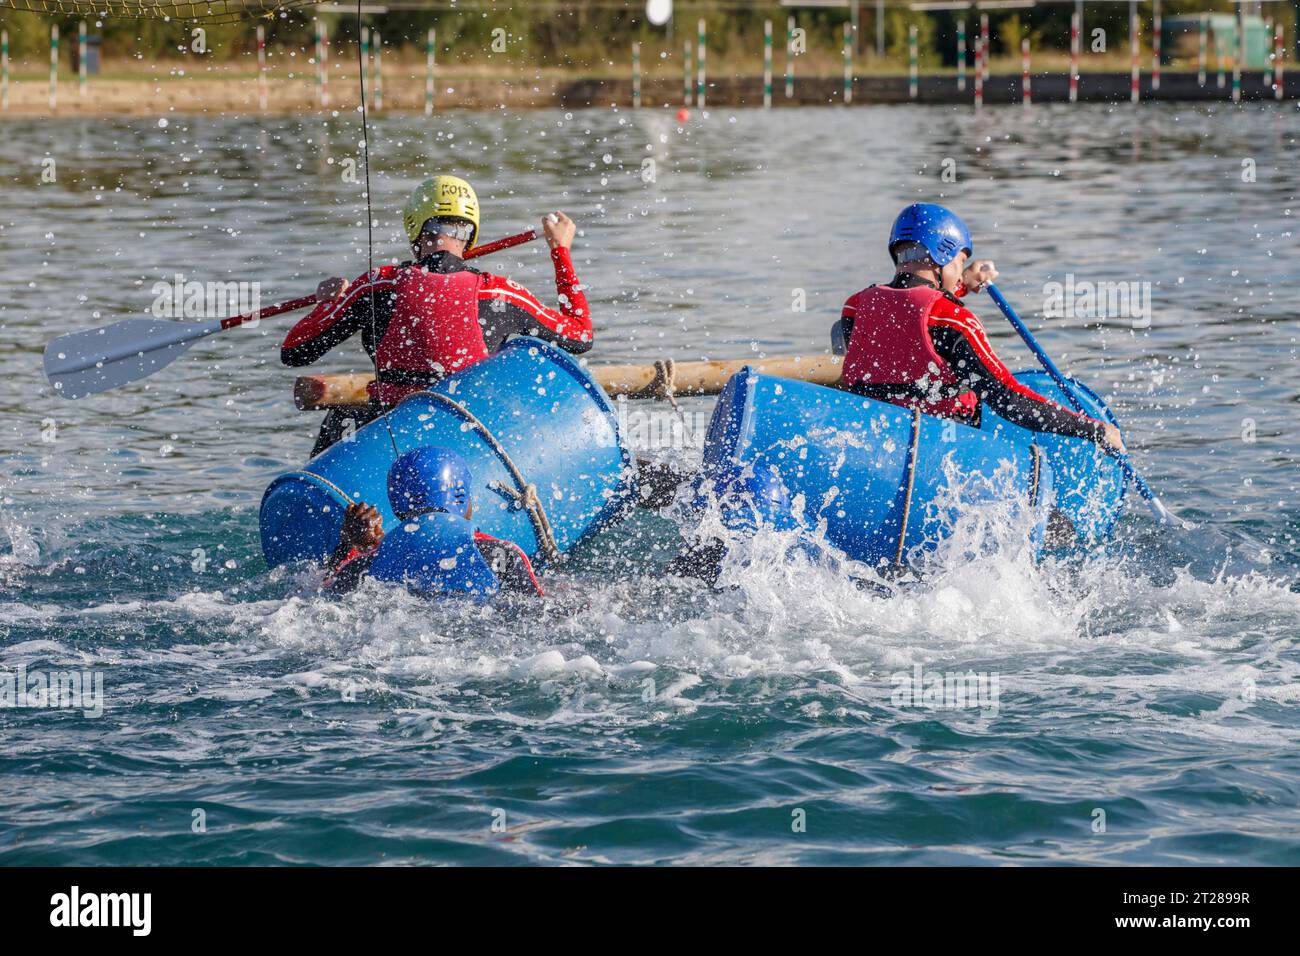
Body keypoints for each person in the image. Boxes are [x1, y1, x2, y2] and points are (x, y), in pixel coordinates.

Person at [282, 175, 594, 455]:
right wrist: (560, 251)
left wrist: (327, 305)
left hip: (390, 432)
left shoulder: (378, 284)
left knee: (344, 417)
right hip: (468, 439)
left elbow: (294, 352)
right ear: (470, 232)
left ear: (414, 226)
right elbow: (580, 336)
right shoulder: (500, 293)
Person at [832, 203, 1125, 455]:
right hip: (941, 457)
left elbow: (907, 323)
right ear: (942, 255)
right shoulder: (954, 320)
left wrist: (960, 284)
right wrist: (1093, 430)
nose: (961, 270)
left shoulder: (854, 309)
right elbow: (1010, 400)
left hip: (874, 448)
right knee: (1058, 523)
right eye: (960, 262)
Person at [325, 447, 544, 598]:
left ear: (397, 505)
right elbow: (537, 609)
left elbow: (326, 593)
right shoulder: (500, 554)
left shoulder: (363, 565)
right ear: (461, 495)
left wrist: (353, 544)